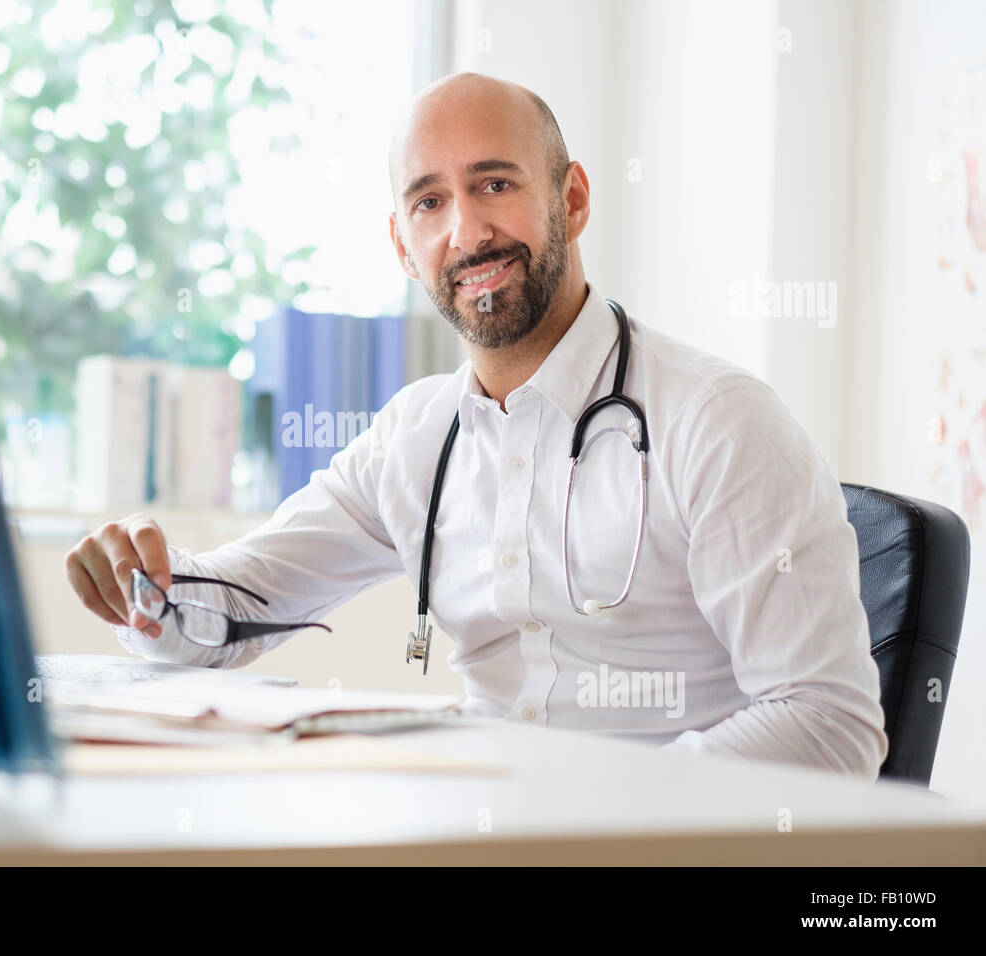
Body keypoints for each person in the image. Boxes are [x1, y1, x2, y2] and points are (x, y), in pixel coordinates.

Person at [64, 72, 888, 778]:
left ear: (572, 198)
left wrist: (600, 817)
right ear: (401, 244)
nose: (467, 232)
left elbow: (830, 725)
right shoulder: (415, 438)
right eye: (430, 201)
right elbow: (240, 603)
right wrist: (145, 585)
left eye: (495, 183)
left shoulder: (717, 421)